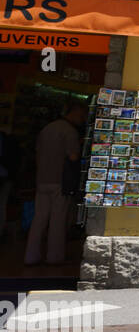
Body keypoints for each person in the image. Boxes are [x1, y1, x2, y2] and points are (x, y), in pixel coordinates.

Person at [27, 102, 86, 266]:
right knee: (58, 220)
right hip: (60, 181)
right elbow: (73, 157)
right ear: (75, 113)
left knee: (39, 219)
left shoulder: (46, 129)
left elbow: (37, 153)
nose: (83, 119)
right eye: (82, 116)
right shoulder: (69, 131)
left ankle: (30, 256)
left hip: (42, 180)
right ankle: (55, 257)